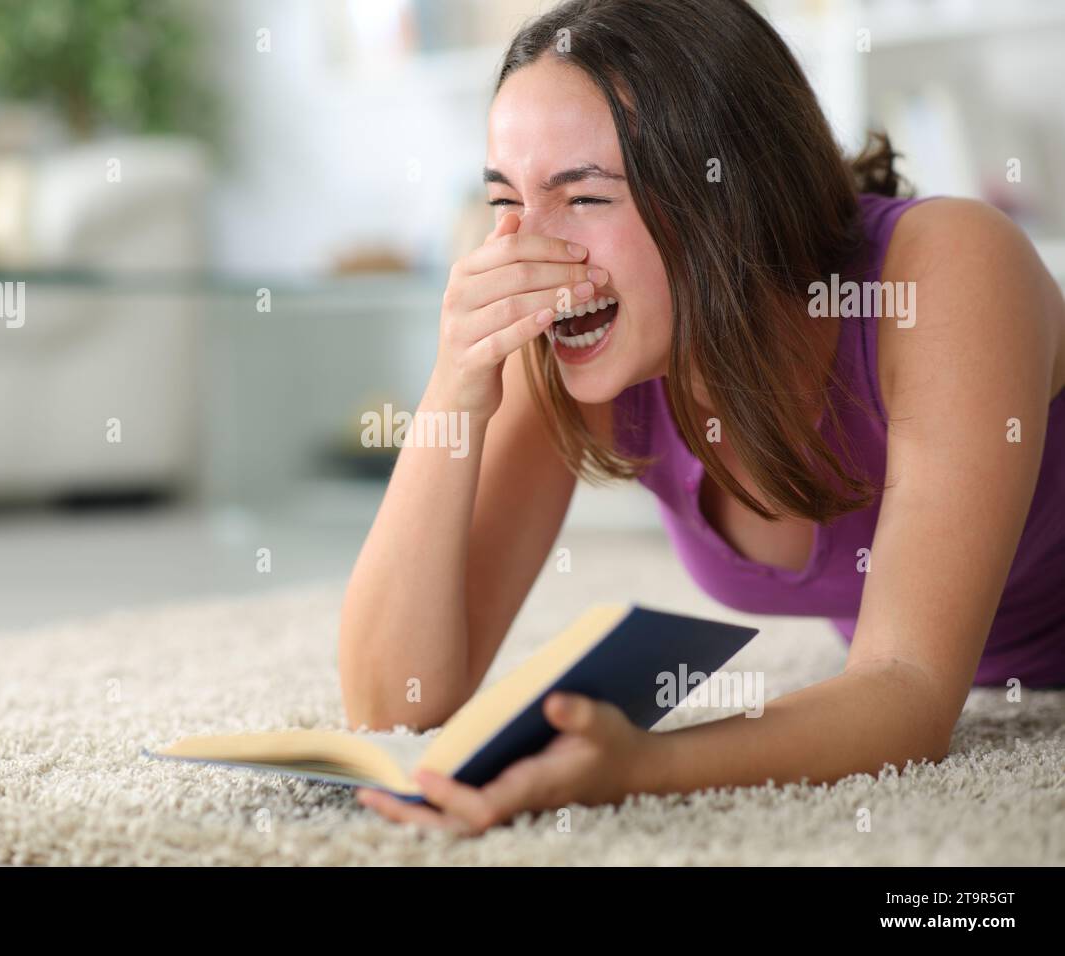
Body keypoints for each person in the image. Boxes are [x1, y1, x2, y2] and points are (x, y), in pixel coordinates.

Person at [339, 0, 1065, 835]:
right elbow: (392, 709)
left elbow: (907, 694)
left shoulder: (946, 270)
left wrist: (645, 769)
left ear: (728, 193)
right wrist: (452, 387)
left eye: (582, 198)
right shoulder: (580, 343)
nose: (525, 251)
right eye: (506, 198)